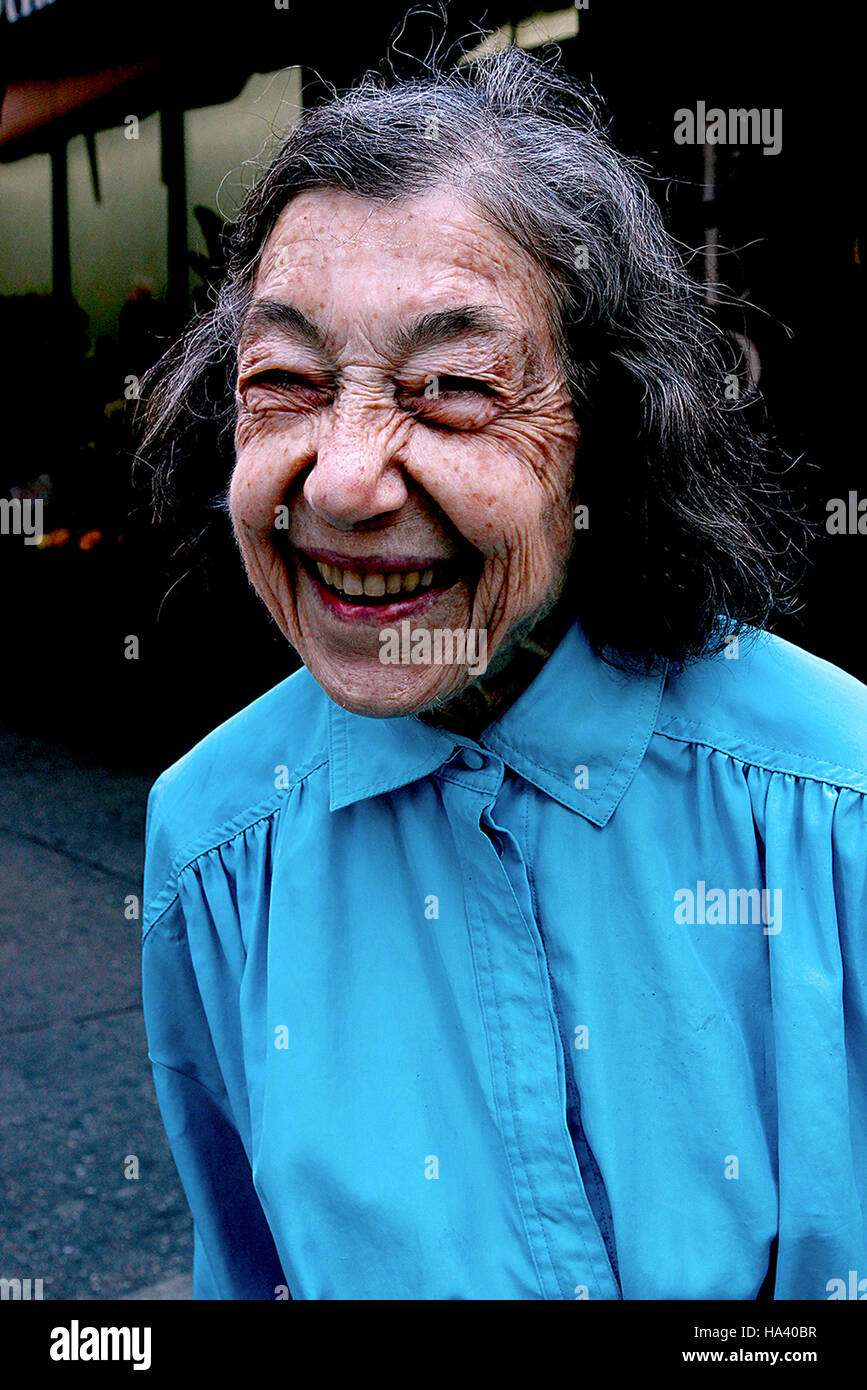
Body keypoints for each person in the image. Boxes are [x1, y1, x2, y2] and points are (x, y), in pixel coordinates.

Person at [138, 45, 867, 1300]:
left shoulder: (833, 804)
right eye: (286, 383)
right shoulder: (212, 845)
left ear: (611, 433)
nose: (346, 480)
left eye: (455, 388)